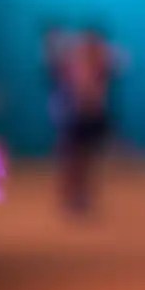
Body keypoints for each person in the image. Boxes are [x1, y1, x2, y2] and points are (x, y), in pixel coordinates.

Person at [46, 26, 117, 215]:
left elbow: (97, 94)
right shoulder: (75, 65)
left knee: (87, 158)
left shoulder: (100, 65)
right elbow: (76, 91)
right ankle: (71, 197)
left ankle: (81, 196)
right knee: (73, 158)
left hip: (90, 117)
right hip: (75, 117)